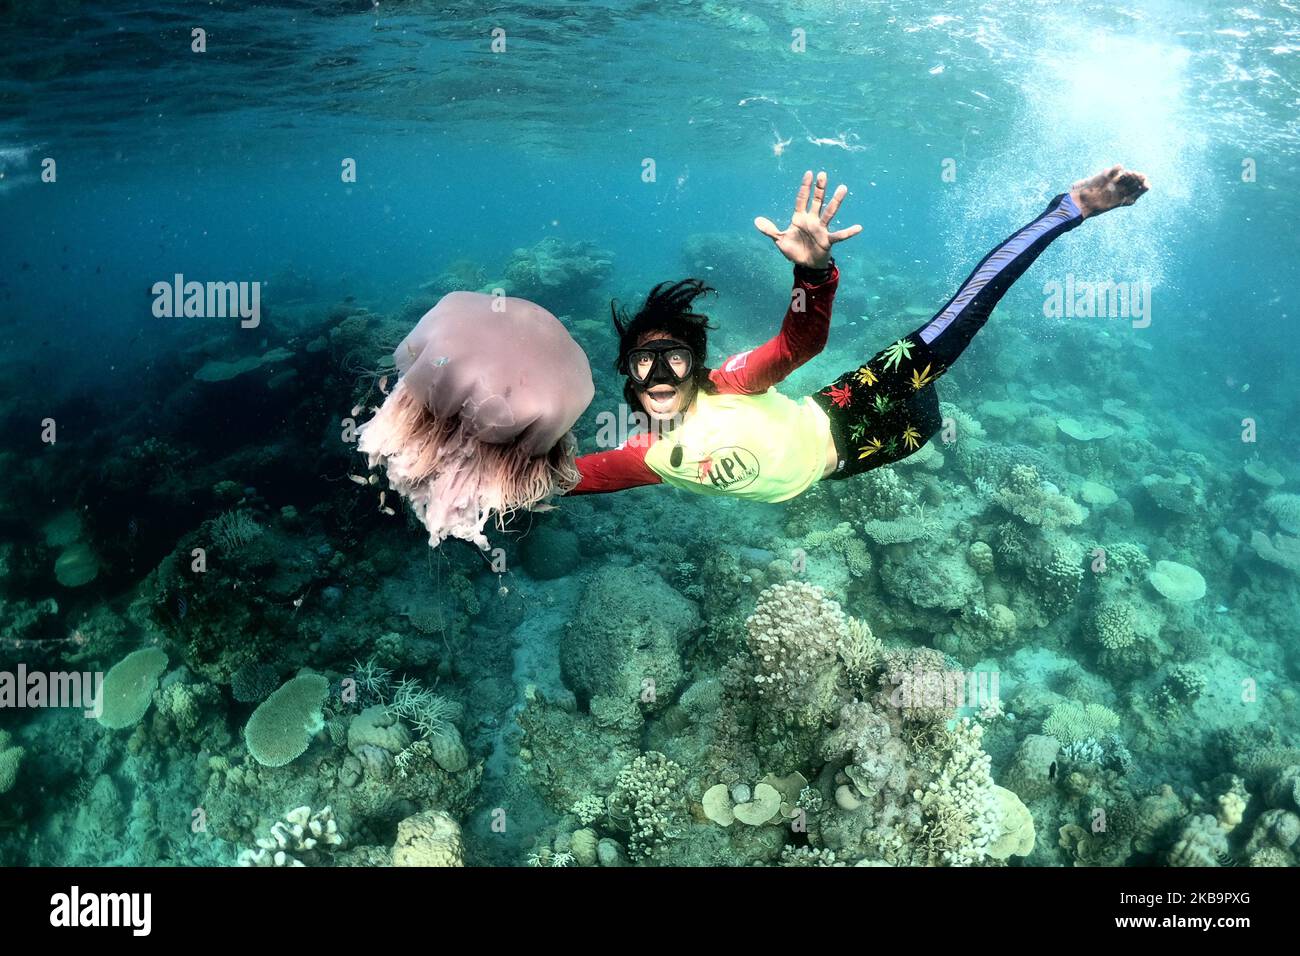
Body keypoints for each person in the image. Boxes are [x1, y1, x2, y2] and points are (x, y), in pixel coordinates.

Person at [567, 165, 1149, 499]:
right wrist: (484, 481)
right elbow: (569, 478)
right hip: (857, 460)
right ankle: (931, 385)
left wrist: (812, 272)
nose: (662, 374)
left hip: (841, 410)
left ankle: (1066, 210)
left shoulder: (730, 383)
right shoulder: (646, 459)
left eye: (674, 358)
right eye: (646, 363)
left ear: (696, 363)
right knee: (931, 419)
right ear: (627, 377)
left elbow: (798, 346)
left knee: (947, 335)